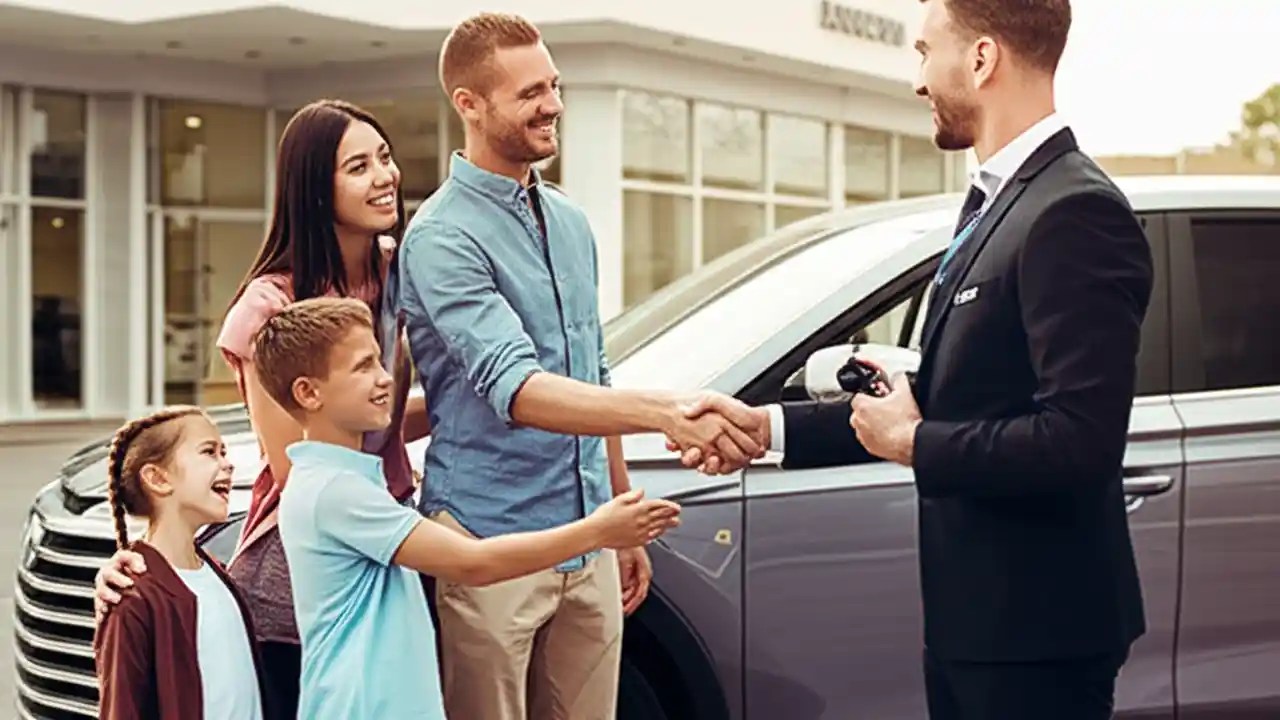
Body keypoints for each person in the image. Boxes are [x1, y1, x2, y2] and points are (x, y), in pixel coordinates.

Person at [674, 1, 1153, 718]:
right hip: (975, 628)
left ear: (982, 59)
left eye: (925, 51)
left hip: (1037, 637)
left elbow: (1079, 441)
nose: (918, 81)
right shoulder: (997, 203)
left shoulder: (1073, 212)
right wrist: (764, 429)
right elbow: (939, 402)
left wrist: (912, 442)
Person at [395, 12, 761, 719]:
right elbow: (520, 391)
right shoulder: (441, 236)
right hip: (488, 540)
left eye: (554, 85)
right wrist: (667, 411)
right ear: (468, 104)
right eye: (530, 92)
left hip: (590, 538)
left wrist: (616, 514)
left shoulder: (569, 221)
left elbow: (592, 373)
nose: (553, 105)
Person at [92, 98, 429, 718]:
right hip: (306, 566)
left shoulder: (397, 274)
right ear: (313, 189)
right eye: (358, 167)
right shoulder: (268, 308)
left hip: (389, 533)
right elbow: (302, 464)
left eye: (385, 157)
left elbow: (380, 421)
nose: (384, 176)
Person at [250, 296, 681, 719]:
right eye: (363, 367)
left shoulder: (337, 480)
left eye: (381, 363)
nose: (384, 379)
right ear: (308, 393)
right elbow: (474, 563)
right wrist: (599, 531)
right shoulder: (337, 492)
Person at [93, 406, 271, 720]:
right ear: (158, 479)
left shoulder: (218, 575)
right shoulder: (133, 599)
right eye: (209, 452)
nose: (228, 464)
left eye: (224, 451)